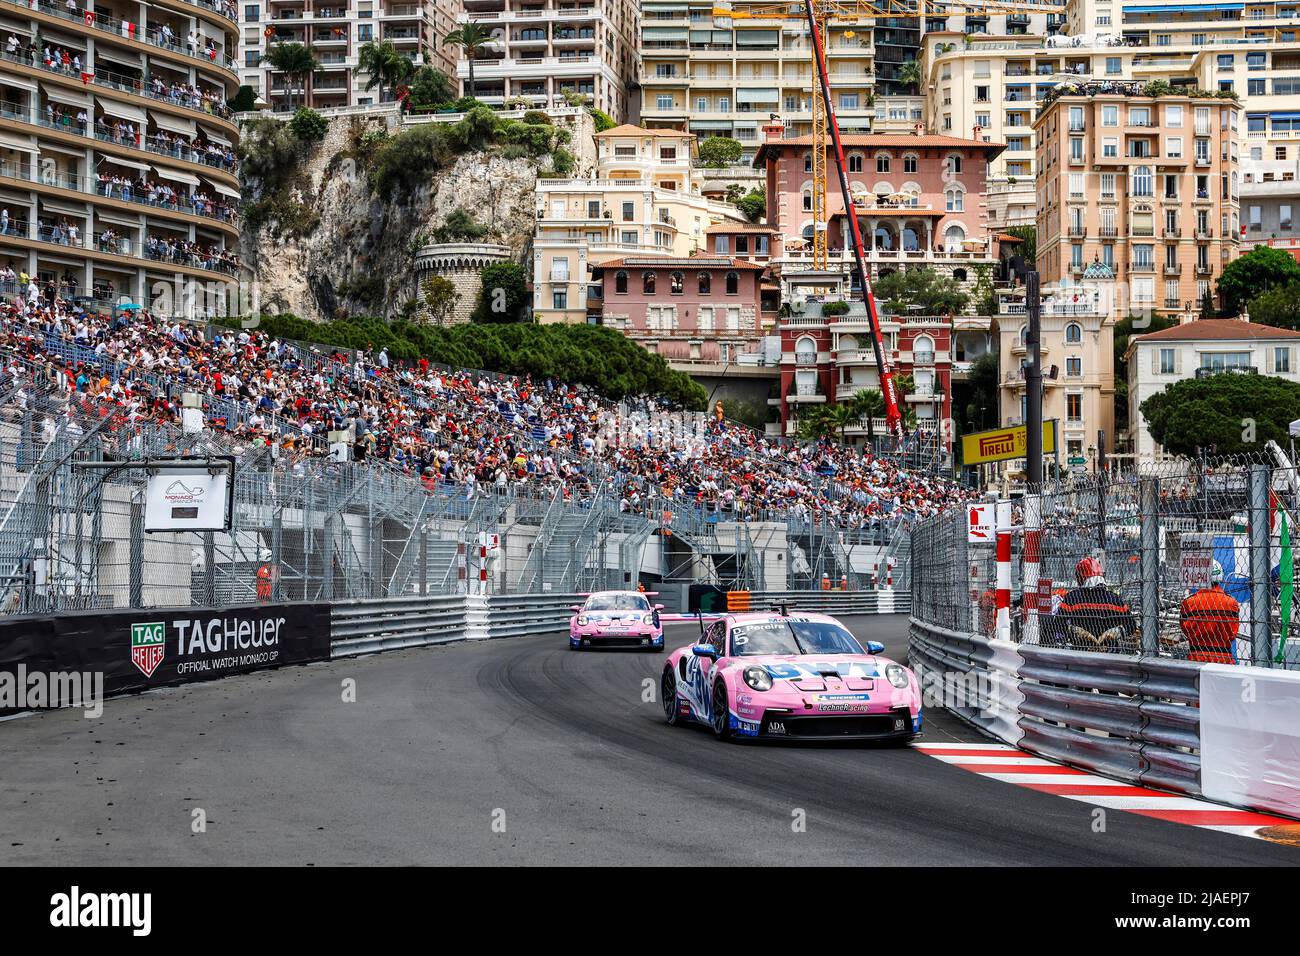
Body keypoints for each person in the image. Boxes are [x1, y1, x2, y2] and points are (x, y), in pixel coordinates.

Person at [1057, 556, 1136, 652]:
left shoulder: (1072, 598)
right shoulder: (1115, 599)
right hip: (1110, 651)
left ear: (1080, 577)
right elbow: (1131, 625)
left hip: (1081, 650)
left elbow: (1058, 623)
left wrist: (1074, 631)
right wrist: (1114, 633)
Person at [1180, 560, 1240, 664]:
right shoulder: (1231, 603)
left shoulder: (1189, 602)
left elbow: (1185, 630)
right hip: (1224, 657)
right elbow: (1232, 632)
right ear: (1220, 575)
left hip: (1196, 656)